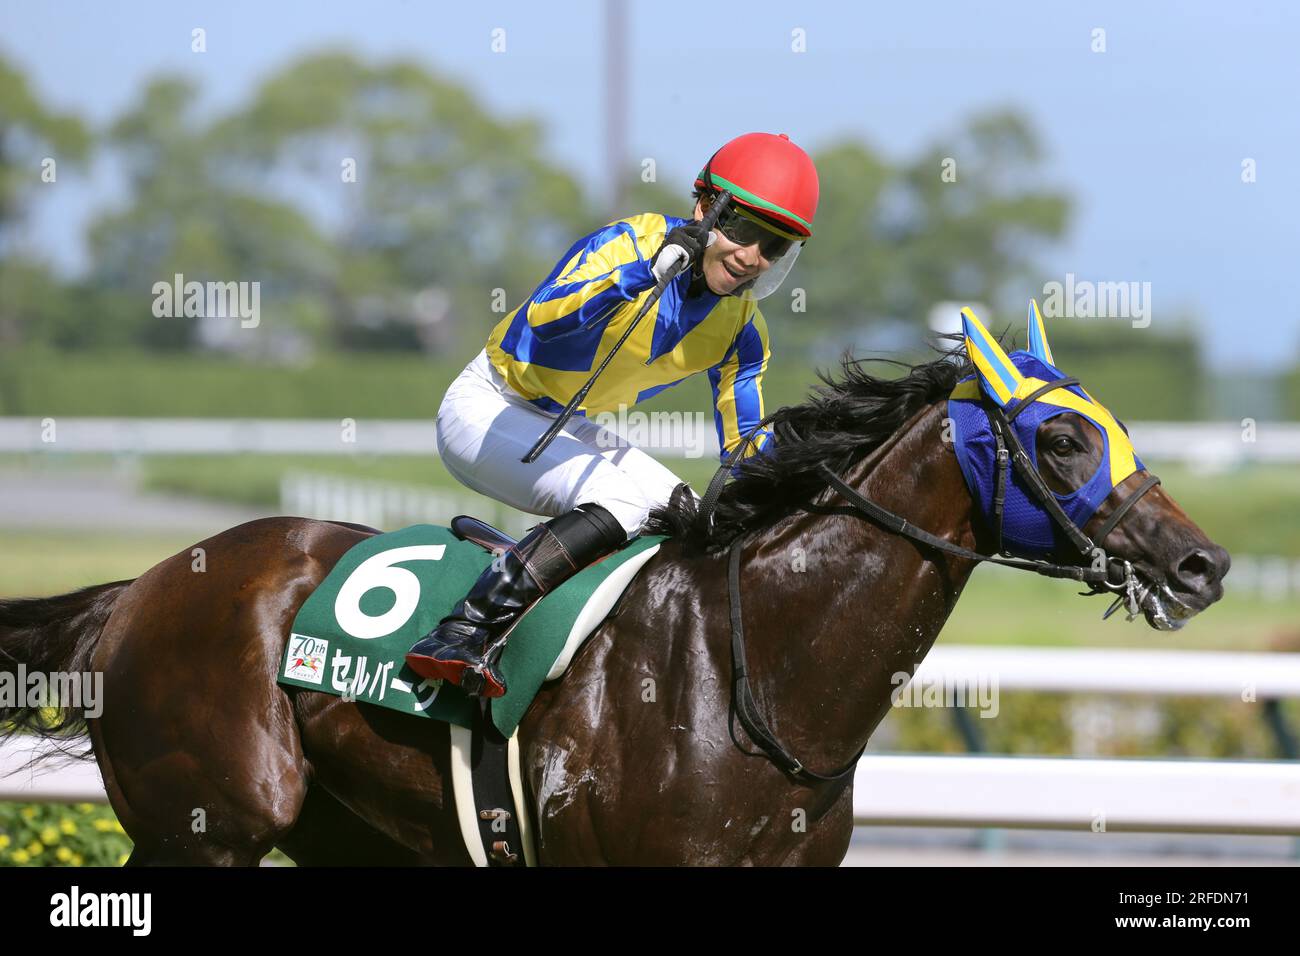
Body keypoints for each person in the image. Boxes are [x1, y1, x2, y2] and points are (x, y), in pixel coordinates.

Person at [405, 131, 820, 698]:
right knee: (622, 502)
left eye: (774, 247)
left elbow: (744, 449)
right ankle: (463, 630)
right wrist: (639, 277)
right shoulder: (627, 243)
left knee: (690, 516)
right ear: (705, 208)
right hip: (488, 405)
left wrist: (809, 481)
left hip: (563, 422)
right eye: (745, 231)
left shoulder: (745, 331)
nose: (752, 258)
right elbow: (541, 325)